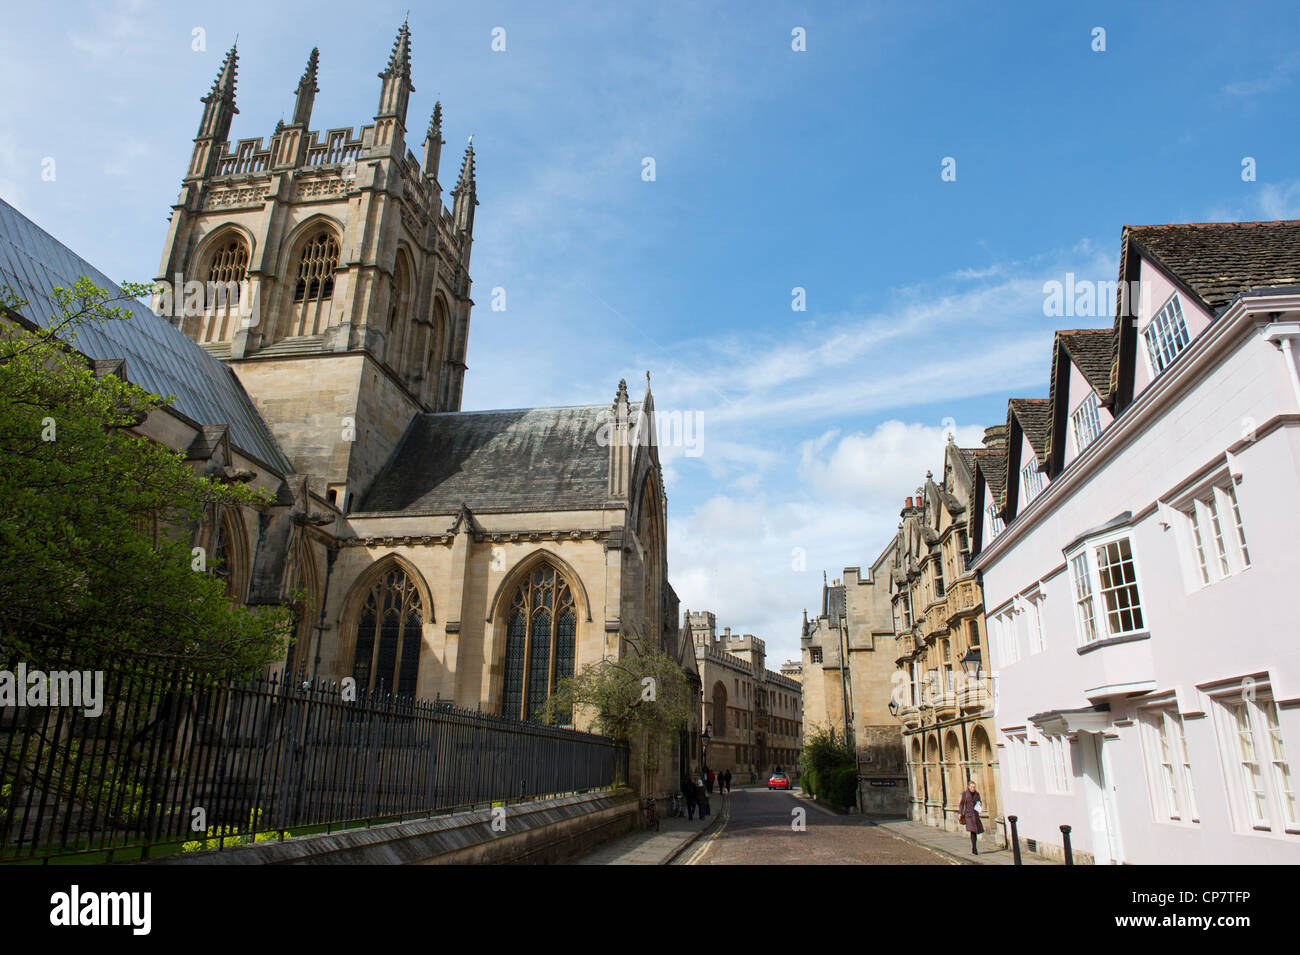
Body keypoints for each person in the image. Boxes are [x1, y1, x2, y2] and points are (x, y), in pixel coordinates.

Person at [958, 781, 984, 854]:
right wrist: (960, 813)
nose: (973, 788)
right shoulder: (965, 794)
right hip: (968, 815)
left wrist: (980, 806)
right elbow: (962, 804)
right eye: (972, 787)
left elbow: (979, 802)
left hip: (975, 815)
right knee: (972, 830)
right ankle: (974, 847)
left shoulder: (977, 794)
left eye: (974, 787)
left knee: (975, 831)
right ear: (969, 787)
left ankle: (974, 846)